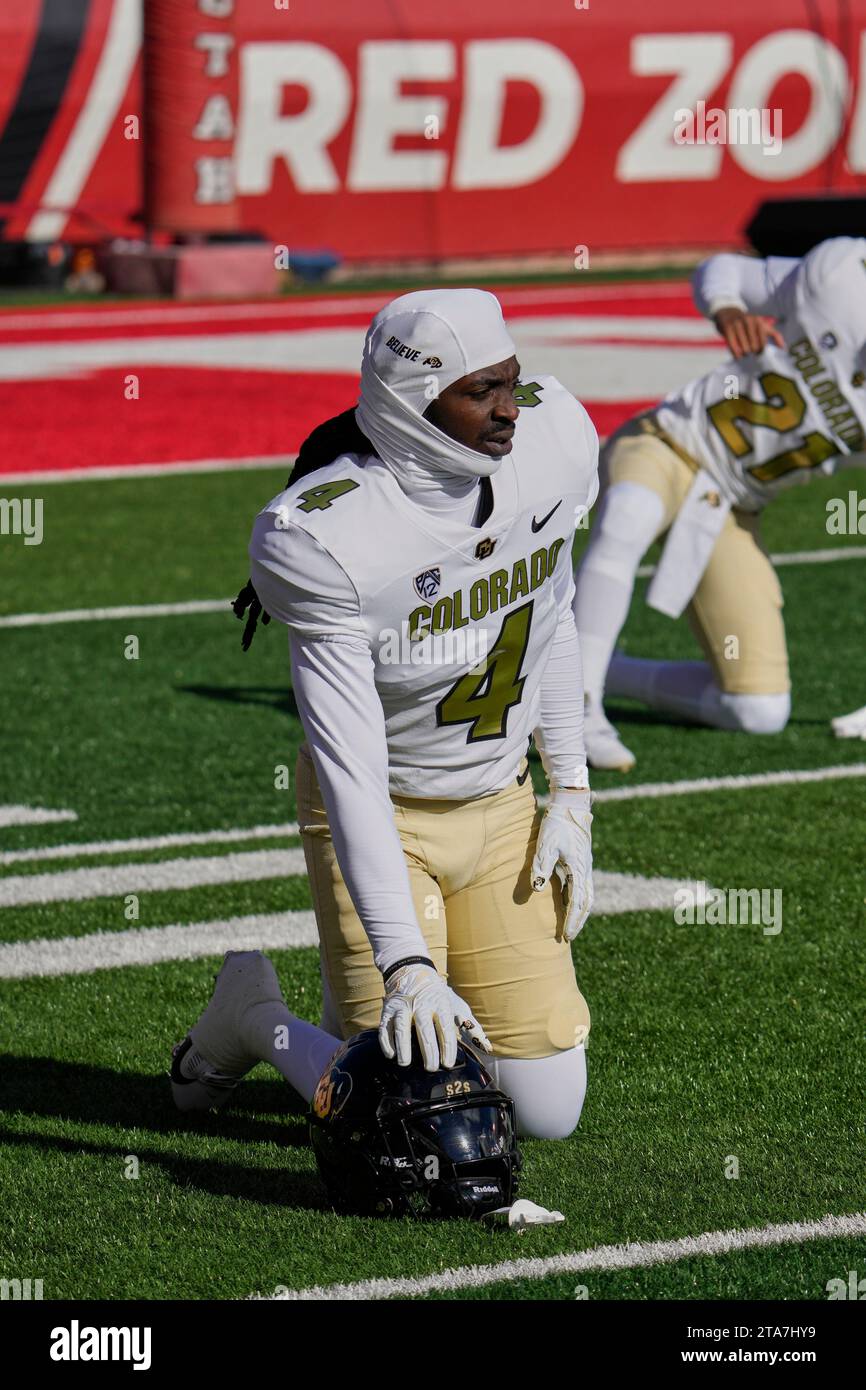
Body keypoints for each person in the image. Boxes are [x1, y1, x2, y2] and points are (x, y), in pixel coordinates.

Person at [171, 288, 599, 1141]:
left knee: (547, 1113)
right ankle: (253, 1016)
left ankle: (341, 1006)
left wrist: (573, 791)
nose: (510, 409)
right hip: (385, 810)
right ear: (412, 400)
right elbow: (350, 766)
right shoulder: (328, 535)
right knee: (408, 1108)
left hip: (502, 798)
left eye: (512, 382)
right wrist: (406, 965)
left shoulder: (554, 443)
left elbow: (552, 611)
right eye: (482, 391)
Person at [573, 237, 866, 771]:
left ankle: (594, 669)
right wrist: (728, 309)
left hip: (727, 504)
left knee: (757, 708)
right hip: (670, 442)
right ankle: (577, 706)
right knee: (629, 516)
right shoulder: (841, 277)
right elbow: (720, 268)